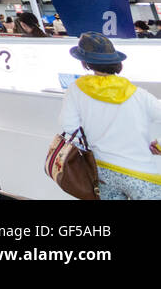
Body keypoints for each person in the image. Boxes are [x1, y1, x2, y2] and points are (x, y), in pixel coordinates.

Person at [58, 32, 161, 199]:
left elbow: (68, 125)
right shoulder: (138, 94)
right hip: (142, 173)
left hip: (103, 171)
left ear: (85, 63)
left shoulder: (75, 90)